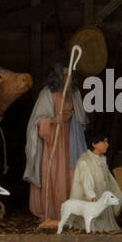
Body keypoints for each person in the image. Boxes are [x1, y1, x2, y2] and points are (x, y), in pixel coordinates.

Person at [23, 56, 87, 228]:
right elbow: (37, 122)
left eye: (70, 75)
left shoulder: (74, 94)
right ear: (56, 76)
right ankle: (50, 212)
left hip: (70, 140)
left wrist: (71, 118)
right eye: (64, 75)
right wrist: (53, 120)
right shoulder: (47, 94)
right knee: (52, 173)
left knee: (70, 173)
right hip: (52, 142)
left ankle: (72, 211)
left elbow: (82, 119)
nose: (67, 79)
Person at [60, 125, 122, 233]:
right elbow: (86, 182)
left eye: (107, 141)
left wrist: (116, 191)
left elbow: (108, 178)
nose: (107, 145)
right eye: (103, 142)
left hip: (102, 194)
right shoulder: (85, 161)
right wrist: (92, 197)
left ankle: (105, 222)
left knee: (103, 211)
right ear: (94, 144)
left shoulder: (101, 160)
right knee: (91, 217)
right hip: (92, 199)